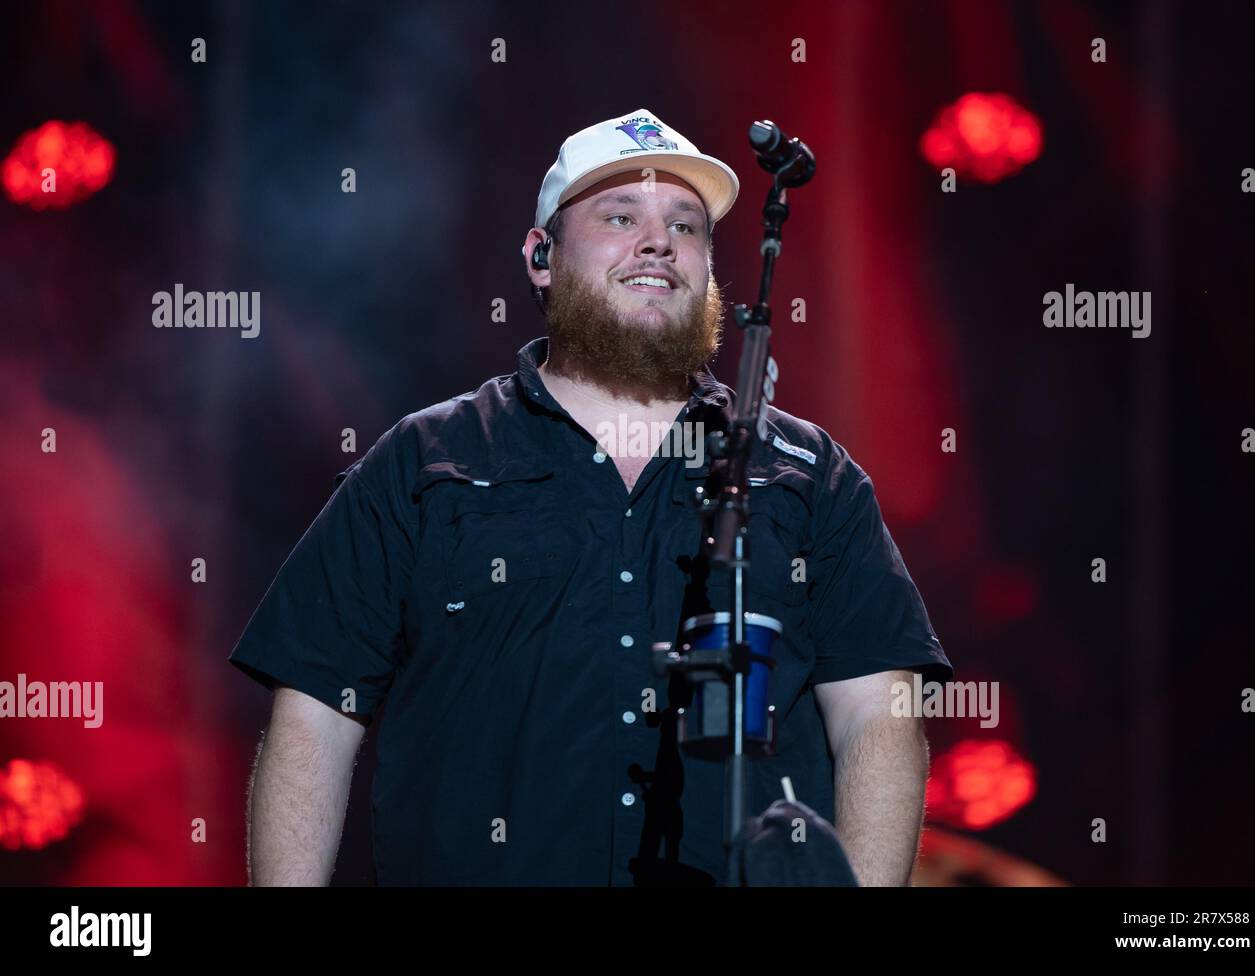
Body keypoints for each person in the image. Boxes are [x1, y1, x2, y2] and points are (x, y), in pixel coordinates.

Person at [229, 108, 952, 886]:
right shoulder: (423, 462)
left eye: (687, 226)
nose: (658, 242)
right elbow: (313, 717)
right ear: (541, 257)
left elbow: (879, 717)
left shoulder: (811, 474)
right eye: (619, 216)